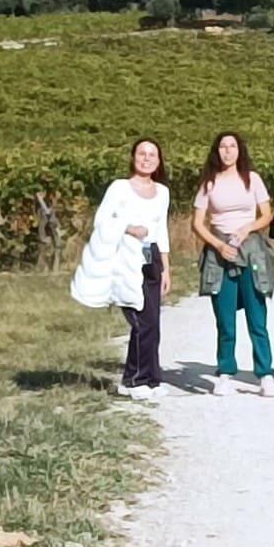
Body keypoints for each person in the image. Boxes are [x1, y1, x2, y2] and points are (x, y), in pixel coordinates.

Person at [70, 138, 173, 399]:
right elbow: (101, 220)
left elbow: (161, 230)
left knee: (153, 321)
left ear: (159, 161)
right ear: (133, 157)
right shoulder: (119, 188)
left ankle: (150, 378)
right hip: (126, 260)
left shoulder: (162, 192)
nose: (146, 158)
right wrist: (128, 228)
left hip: (151, 259)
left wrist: (167, 269)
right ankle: (133, 380)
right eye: (142, 153)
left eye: (152, 155)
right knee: (140, 321)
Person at [191, 131, 274, 397]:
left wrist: (246, 229)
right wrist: (218, 245)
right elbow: (197, 223)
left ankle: (265, 374)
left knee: (257, 316)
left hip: (250, 250)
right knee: (225, 319)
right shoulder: (209, 183)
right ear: (216, 152)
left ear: (239, 150)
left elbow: (267, 215)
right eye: (222, 147)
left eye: (232, 146)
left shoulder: (252, 180)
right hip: (220, 254)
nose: (227, 151)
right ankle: (225, 373)